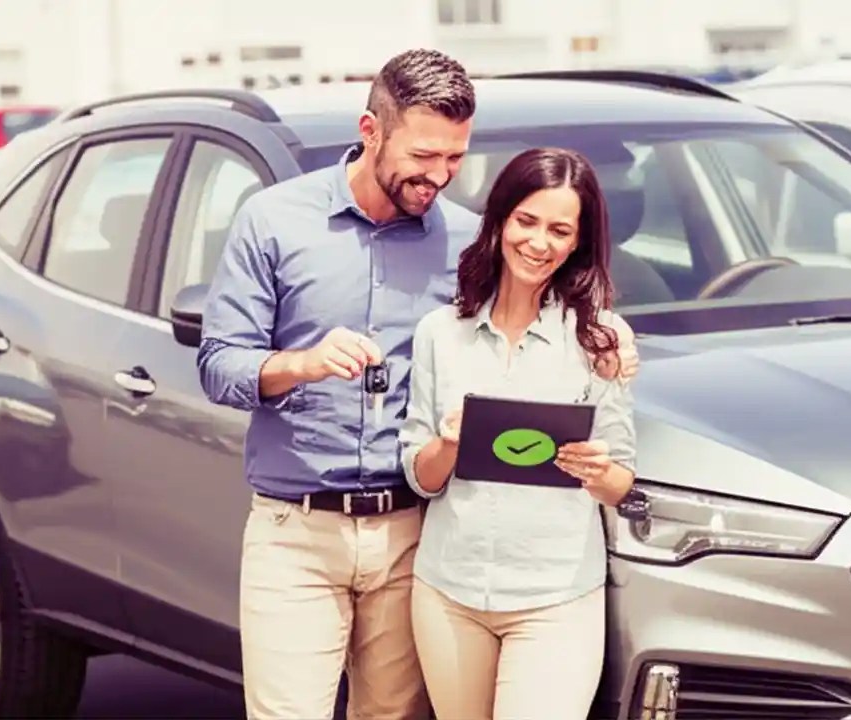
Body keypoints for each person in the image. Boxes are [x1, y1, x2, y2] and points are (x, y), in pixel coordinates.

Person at [197, 50, 638, 718]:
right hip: (297, 531)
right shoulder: (272, 220)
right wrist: (303, 362)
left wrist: (617, 335)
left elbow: (545, 301)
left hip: (414, 531)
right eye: (425, 155)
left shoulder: (466, 242)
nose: (439, 176)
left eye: (455, 159)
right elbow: (219, 365)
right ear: (371, 130)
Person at [399, 146, 639, 720]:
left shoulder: (601, 339)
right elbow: (419, 473)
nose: (538, 243)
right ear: (501, 220)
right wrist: (451, 447)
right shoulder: (440, 332)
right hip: (449, 593)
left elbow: (622, 481)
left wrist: (599, 472)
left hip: (554, 599)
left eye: (559, 230)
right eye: (526, 221)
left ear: (578, 241)